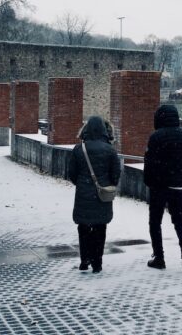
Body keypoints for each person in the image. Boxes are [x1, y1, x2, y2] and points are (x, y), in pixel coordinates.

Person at [144, 104, 182, 272]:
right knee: (179, 218)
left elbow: (149, 163)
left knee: (155, 221)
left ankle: (159, 258)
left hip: (158, 186)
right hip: (178, 186)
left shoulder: (156, 137)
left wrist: (149, 182)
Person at [69, 116, 121, 273]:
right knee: (100, 228)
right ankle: (97, 263)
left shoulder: (79, 149)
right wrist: (108, 184)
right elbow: (116, 174)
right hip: (102, 195)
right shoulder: (110, 150)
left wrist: (82, 184)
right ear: (104, 131)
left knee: (83, 227)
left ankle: (84, 259)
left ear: (86, 130)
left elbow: (72, 174)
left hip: (83, 195)